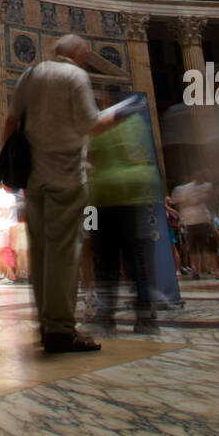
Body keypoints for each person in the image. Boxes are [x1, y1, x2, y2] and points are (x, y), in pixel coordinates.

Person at [3, 34, 147, 355]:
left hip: (33, 178)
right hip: (66, 176)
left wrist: (10, 167)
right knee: (65, 253)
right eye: (84, 55)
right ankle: (62, 330)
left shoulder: (30, 74)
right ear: (78, 56)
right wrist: (121, 113)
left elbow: (11, 122)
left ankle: (46, 324)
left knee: (40, 252)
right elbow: (90, 125)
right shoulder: (76, 76)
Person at [88, 101, 162, 334]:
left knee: (103, 258)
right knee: (136, 258)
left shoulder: (97, 124)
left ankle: (105, 314)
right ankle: (146, 315)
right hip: (134, 195)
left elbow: (89, 157)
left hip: (102, 196)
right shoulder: (137, 121)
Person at [171, 172, 219, 280]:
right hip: (192, 223)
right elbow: (176, 202)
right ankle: (198, 270)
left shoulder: (201, 187)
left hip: (198, 222)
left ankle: (213, 270)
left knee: (204, 248)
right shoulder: (182, 189)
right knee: (197, 249)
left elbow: (212, 190)